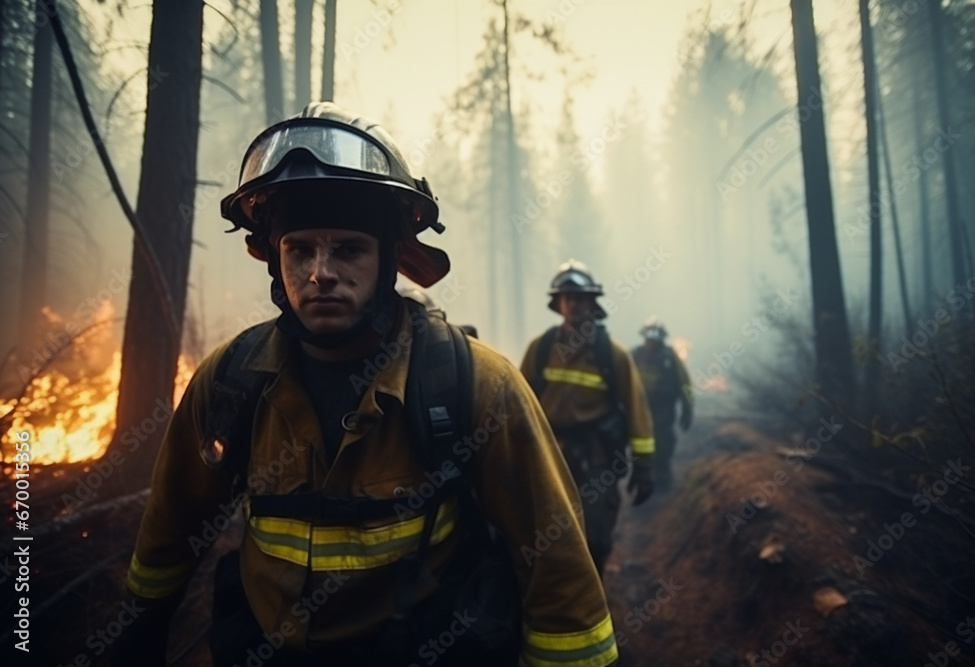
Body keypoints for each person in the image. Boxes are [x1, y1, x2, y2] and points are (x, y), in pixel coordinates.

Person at [112, 103, 617, 667]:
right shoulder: (230, 382)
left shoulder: (477, 385)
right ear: (275, 261)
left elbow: (559, 577)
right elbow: (168, 536)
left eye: (348, 249)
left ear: (390, 261)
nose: (320, 272)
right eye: (299, 249)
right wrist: (135, 637)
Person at [520, 260, 655, 576]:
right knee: (543, 539)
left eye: (580, 298)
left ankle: (592, 607)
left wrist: (645, 465)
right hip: (549, 459)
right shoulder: (540, 349)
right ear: (558, 304)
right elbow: (517, 404)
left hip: (597, 462)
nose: (573, 304)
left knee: (594, 538)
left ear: (592, 303)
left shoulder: (613, 355)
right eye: (567, 298)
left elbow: (637, 409)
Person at [631, 317, 693, 491]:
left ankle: (663, 481)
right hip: (639, 412)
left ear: (662, 337)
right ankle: (643, 481)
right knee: (640, 447)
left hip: (664, 412)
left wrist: (687, 409)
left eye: (656, 336)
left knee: (663, 445)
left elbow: (685, 383)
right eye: (649, 336)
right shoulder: (634, 356)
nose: (652, 340)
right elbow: (622, 382)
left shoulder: (670, 358)